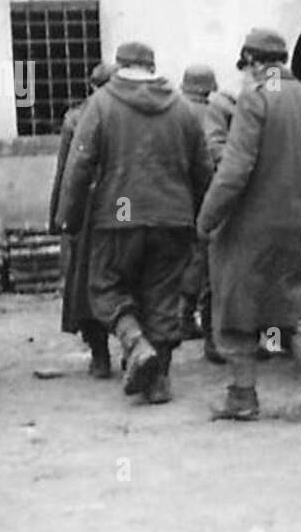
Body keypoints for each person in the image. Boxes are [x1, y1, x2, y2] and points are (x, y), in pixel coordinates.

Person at [56, 42, 211, 405]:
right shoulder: (183, 108)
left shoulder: (101, 104)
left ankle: (134, 343)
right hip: (173, 216)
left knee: (105, 285)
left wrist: (70, 217)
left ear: (121, 66)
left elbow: (79, 166)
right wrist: (202, 217)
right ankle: (158, 382)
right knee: (162, 296)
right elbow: (204, 169)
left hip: (120, 211)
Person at [197, 28, 301, 423]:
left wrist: (208, 219)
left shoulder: (255, 100)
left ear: (254, 62)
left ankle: (242, 396)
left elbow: (234, 170)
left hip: (251, 229)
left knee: (238, 309)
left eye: (246, 65)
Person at [48, 61, 114, 377]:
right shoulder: (123, 113)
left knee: (85, 280)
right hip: (119, 206)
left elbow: (66, 171)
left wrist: (61, 218)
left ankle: (100, 356)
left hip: (88, 209)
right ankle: (130, 350)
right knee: (123, 277)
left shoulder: (76, 117)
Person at [177, 64, 236, 358]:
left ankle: (183, 319)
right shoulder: (213, 112)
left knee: (188, 261)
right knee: (207, 267)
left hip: (177, 199)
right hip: (206, 197)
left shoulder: (175, 109)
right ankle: (213, 340)